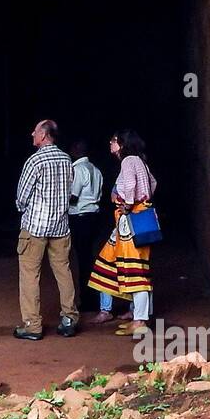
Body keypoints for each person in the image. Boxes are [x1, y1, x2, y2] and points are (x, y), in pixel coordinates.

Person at [14, 119, 78, 340]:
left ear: (43, 135)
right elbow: (69, 191)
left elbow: (22, 196)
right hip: (60, 226)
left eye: (35, 131)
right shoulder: (66, 159)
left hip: (35, 227)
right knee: (64, 272)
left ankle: (32, 325)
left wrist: (23, 209)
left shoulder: (35, 161)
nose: (32, 133)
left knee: (30, 275)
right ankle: (69, 319)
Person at [89, 129, 157, 335]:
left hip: (130, 219)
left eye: (113, 140)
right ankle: (137, 317)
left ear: (121, 143)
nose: (110, 143)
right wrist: (143, 199)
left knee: (136, 271)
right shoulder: (140, 161)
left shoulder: (128, 161)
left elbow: (129, 185)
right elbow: (153, 183)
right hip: (138, 217)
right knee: (134, 267)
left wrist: (128, 204)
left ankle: (140, 321)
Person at [66, 140, 106, 318]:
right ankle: (94, 297)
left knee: (83, 260)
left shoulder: (78, 170)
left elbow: (73, 197)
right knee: (89, 256)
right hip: (94, 215)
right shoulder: (96, 170)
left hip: (80, 217)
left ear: (76, 150)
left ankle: (87, 299)